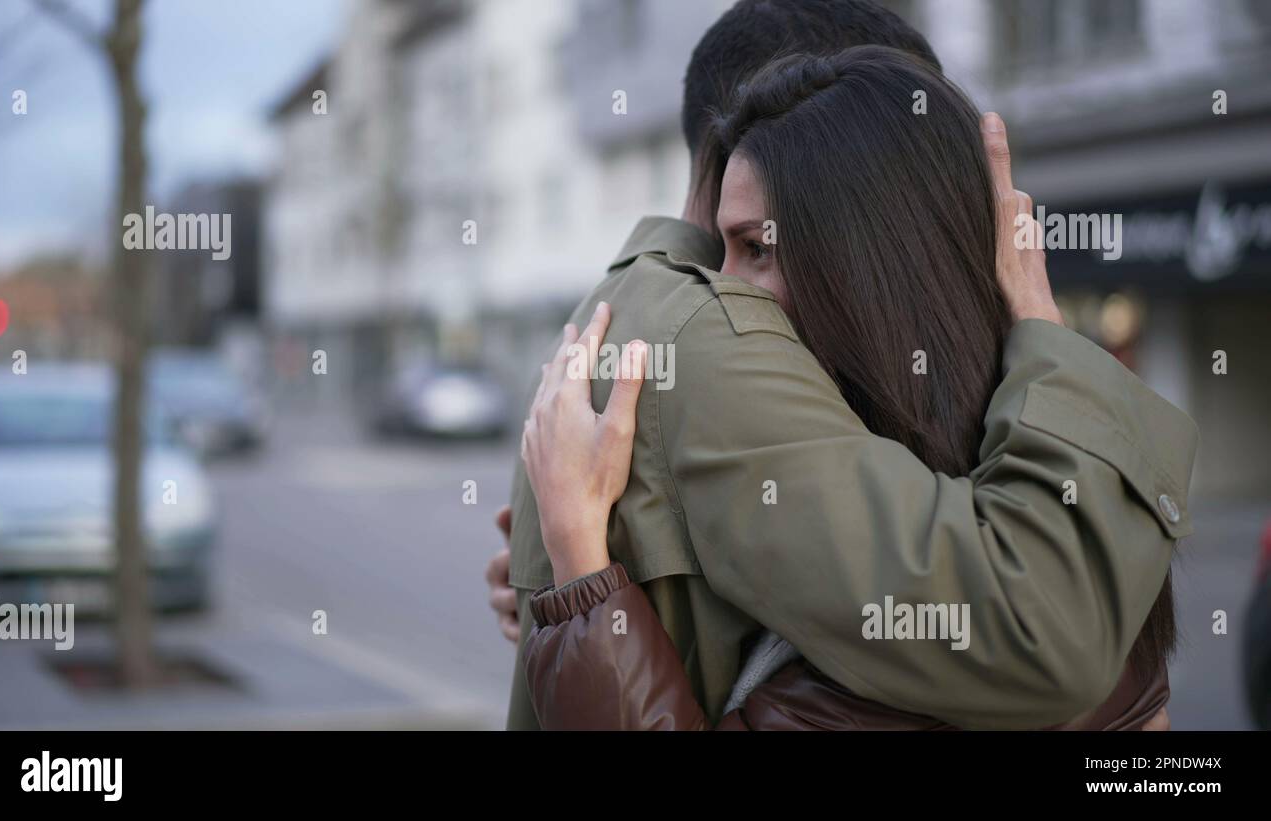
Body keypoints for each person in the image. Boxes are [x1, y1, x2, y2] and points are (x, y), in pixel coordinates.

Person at [490, 0, 1197, 731]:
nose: (734, 283)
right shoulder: (707, 334)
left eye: (759, 248)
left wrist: (577, 579)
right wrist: (576, 588)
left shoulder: (634, 316)